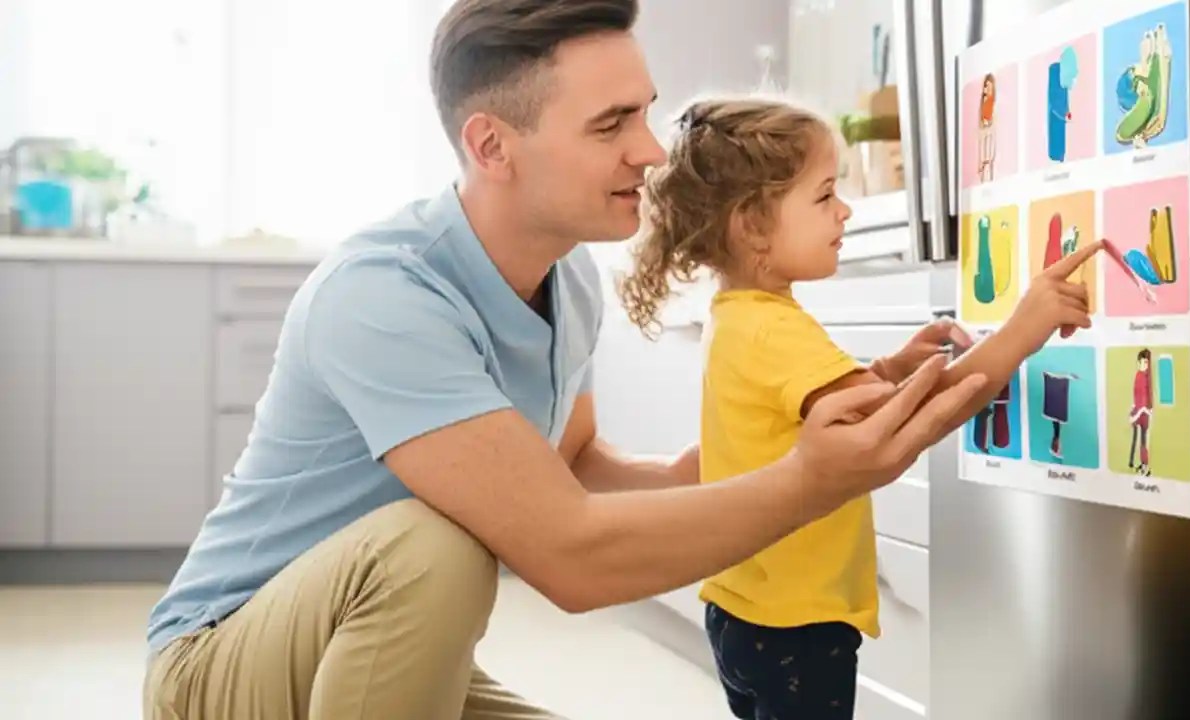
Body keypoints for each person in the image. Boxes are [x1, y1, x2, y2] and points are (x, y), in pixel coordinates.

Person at [142, 2, 1009, 719]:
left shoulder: (570, 281)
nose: (654, 150)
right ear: (492, 147)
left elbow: (575, 467)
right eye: (611, 125)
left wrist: (744, 453)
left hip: (366, 655)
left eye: (644, 110)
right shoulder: (384, 296)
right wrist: (810, 482)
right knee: (431, 546)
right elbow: (571, 557)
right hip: (225, 663)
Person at [617, 97, 1101, 719]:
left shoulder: (740, 315)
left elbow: (816, 414)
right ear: (752, 227)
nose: (844, 210)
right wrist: (1023, 329)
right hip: (796, 628)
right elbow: (894, 428)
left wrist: (887, 370)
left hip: (743, 612)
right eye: (823, 197)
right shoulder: (774, 330)